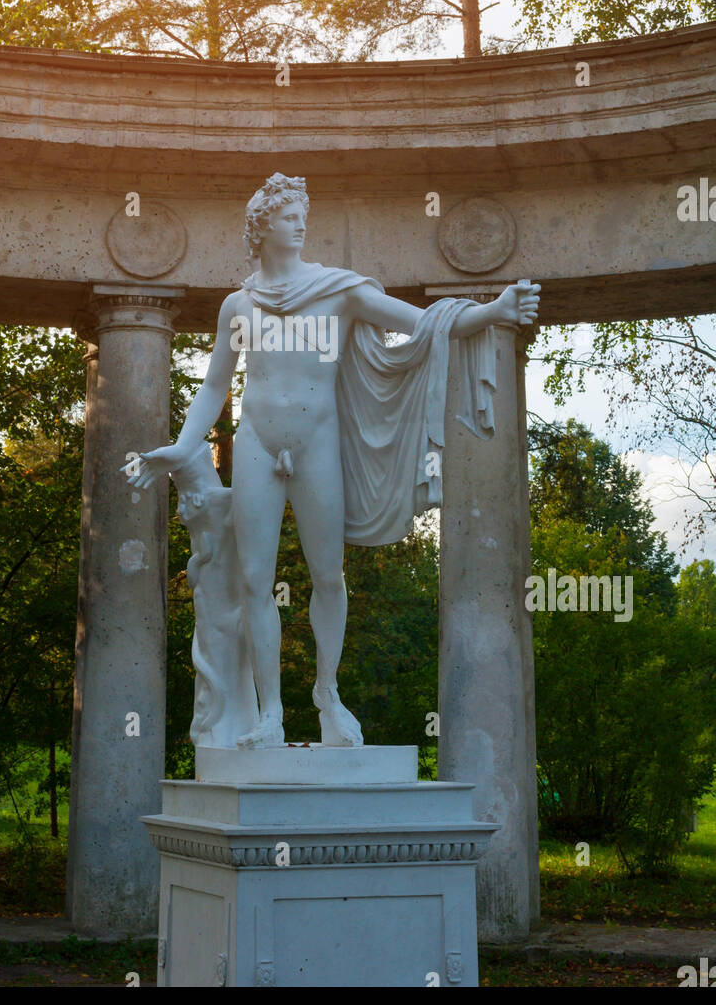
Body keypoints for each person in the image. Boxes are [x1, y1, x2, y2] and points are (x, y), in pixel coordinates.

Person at [128, 173, 540, 748]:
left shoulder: (339, 290)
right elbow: (215, 386)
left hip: (318, 443)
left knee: (328, 575)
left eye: (303, 212)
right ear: (261, 225)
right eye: (289, 213)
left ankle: (327, 693)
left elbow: (424, 327)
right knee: (254, 580)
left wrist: (492, 310)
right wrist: (181, 446)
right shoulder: (237, 306)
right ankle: (270, 713)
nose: (301, 222)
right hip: (257, 445)